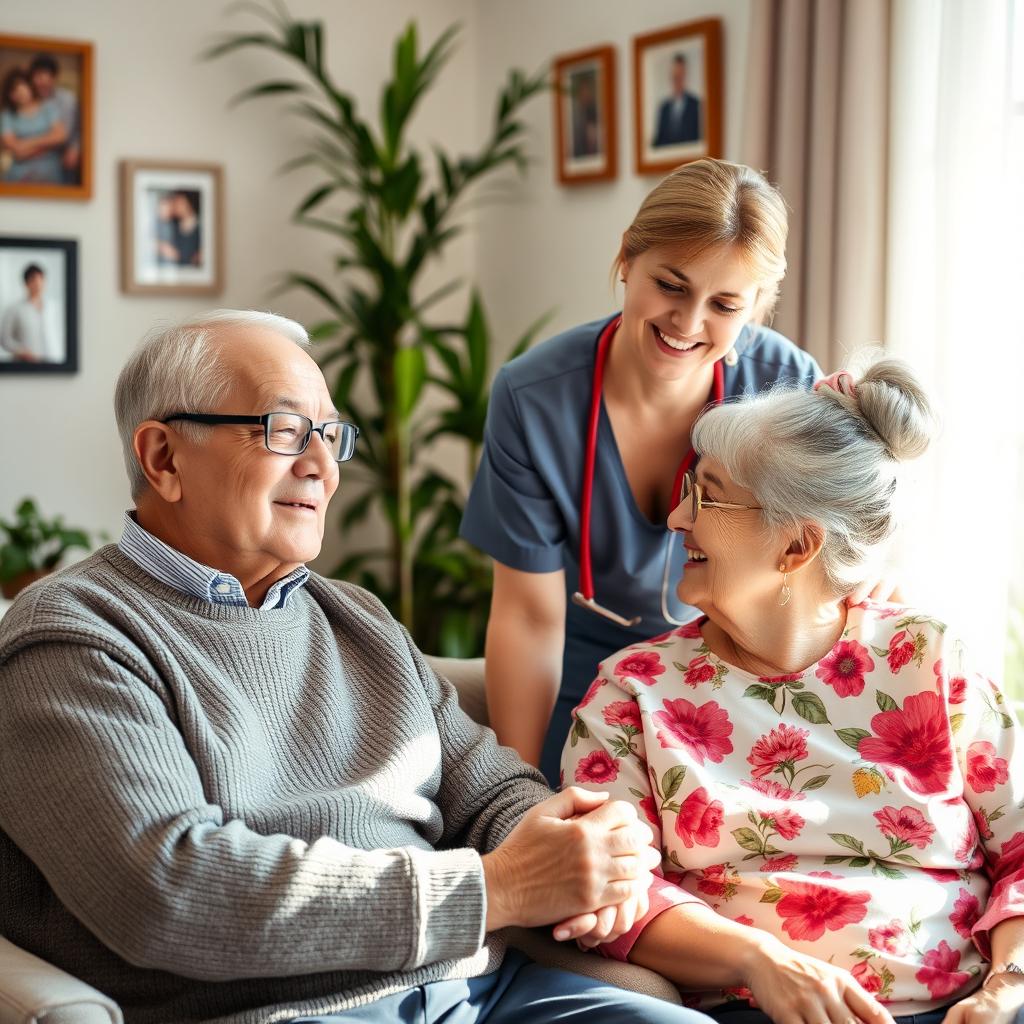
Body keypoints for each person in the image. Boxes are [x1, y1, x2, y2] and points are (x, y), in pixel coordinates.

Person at [0, 309, 711, 1024]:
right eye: (283, 431)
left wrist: (577, 845)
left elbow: (490, 792)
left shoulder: (356, 618)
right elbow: (168, 891)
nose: (321, 465)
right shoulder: (73, 636)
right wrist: (499, 889)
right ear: (163, 459)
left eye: (330, 434)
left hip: (483, 994)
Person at [562, 361, 1024, 1024]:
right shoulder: (633, 692)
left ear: (796, 547)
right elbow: (609, 888)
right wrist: (758, 958)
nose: (675, 517)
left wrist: (1007, 988)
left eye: (706, 496)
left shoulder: (926, 657)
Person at [461, 158, 823, 786]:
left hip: (738, 674)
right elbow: (528, 618)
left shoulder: (788, 388)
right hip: (586, 681)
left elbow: (823, 575)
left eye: (724, 304)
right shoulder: (533, 397)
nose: (687, 324)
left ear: (756, 310)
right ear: (627, 258)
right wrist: (516, 801)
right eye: (672, 285)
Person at [0, 66, 65, 184]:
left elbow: (60, 136)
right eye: (14, 91)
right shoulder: (7, 116)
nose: (20, 94)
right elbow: (15, 149)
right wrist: (48, 144)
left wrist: (25, 144)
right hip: (19, 174)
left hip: (50, 172)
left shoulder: (48, 108)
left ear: (30, 87)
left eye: (22, 88)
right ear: (10, 96)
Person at [28, 52, 80, 184]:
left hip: (61, 153)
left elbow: (67, 134)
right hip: (31, 155)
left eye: (45, 76)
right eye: (37, 76)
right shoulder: (27, 98)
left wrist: (75, 148)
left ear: (54, 77)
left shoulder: (67, 99)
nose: (40, 81)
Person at [0, 263, 49, 362]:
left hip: (50, 364)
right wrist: (21, 351)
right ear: (26, 283)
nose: (38, 284)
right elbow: (4, 339)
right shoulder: (14, 309)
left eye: (41, 280)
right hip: (24, 364)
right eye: (34, 280)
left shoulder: (51, 308)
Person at [653, 55, 701, 148]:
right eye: (675, 77)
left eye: (680, 76)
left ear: (685, 76)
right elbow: (658, 140)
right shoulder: (664, 108)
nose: (677, 80)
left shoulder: (695, 104)